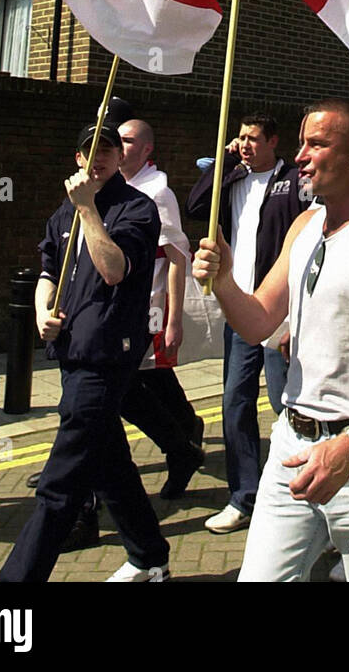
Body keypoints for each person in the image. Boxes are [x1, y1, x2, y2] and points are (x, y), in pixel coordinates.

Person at [194, 97, 349, 582]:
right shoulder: (304, 225)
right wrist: (223, 282)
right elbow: (261, 319)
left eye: (316, 143)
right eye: (301, 142)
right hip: (292, 442)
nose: (301, 155)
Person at [0, 123, 170, 583]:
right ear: (77, 158)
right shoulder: (61, 214)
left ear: (118, 157)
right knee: (110, 461)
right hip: (72, 351)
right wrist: (40, 313)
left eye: (108, 148)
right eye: (89, 149)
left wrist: (89, 211)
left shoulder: (137, 207)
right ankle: (149, 554)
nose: (99, 157)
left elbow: (114, 270)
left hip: (108, 354)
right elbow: (47, 271)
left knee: (61, 482)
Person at [186, 112, 305, 533]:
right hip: (239, 310)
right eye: (240, 138)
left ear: (274, 142)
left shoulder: (293, 181)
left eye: (253, 138)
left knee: (284, 406)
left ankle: (298, 494)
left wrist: (296, 314)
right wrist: (222, 161)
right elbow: (197, 205)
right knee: (235, 404)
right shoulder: (233, 179)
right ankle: (243, 497)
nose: (245, 145)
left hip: (278, 312)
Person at [118, 118, 204, 502]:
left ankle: (181, 446)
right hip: (118, 305)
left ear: (147, 148)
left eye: (128, 140)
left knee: (130, 383)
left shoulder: (158, 192)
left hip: (148, 303)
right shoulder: (116, 186)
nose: (120, 147)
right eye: (116, 140)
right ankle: (186, 431)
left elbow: (175, 257)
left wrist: (172, 319)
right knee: (148, 380)